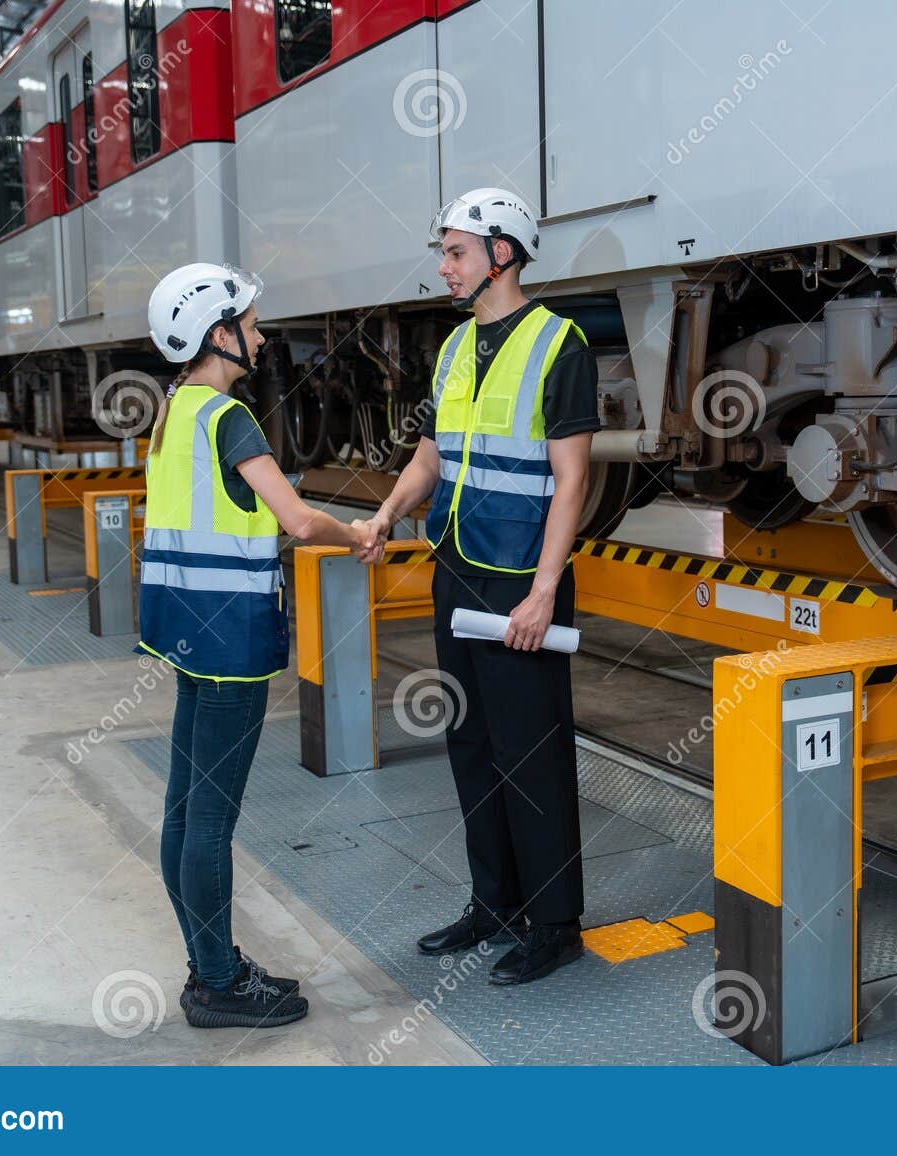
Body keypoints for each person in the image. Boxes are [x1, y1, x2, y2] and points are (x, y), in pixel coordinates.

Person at [355, 188, 600, 985]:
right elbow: (433, 455)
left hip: (519, 579)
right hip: (457, 568)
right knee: (471, 740)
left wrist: (543, 591)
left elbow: (571, 482)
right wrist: (390, 511)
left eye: (456, 251)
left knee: (532, 749)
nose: (444, 267)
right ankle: (494, 904)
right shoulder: (457, 347)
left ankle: (555, 923)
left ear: (503, 253)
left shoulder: (559, 344)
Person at [141, 261, 367, 1028]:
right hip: (229, 638)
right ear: (219, 334)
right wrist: (360, 533)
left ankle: (209, 968)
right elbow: (299, 521)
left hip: (180, 630)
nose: (263, 335)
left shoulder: (173, 411)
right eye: (252, 322)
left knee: (182, 807)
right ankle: (218, 984)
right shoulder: (228, 419)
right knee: (211, 819)